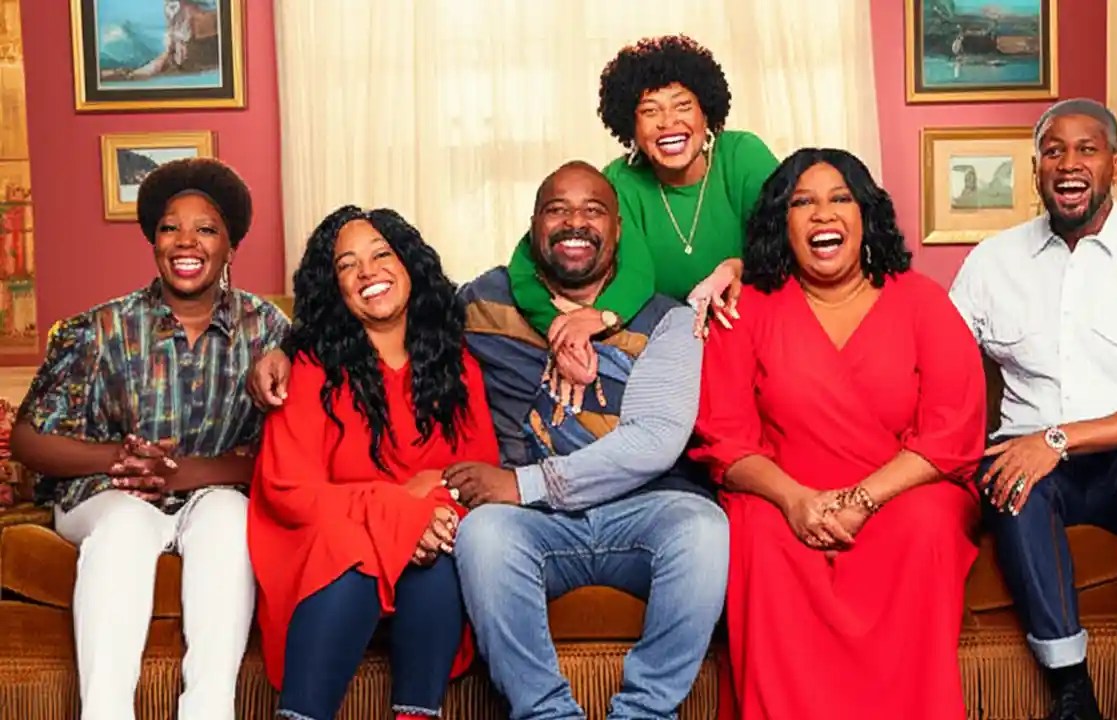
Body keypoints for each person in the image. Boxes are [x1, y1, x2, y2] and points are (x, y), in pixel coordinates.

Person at [247, 161, 731, 720]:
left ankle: (645, 713)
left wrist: (606, 315)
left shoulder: (668, 320)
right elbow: (382, 320)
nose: (575, 223)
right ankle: (547, 714)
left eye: (593, 211)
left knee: (703, 527)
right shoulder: (479, 307)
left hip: (638, 511)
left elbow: (653, 441)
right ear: (533, 225)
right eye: (557, 210)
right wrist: (283, 348)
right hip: (527, 523)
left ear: (618, 228)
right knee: (475, 536)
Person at [690, 148, 987, 719]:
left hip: (903, 490)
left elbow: (951, 433)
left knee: (926, 523)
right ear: (782, 222)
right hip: (785, 493)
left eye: (840, 199)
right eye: (802, 202)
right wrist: (794, 500)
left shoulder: (923, 301)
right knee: (754, 531)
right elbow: (725, 438)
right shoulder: (745, 308)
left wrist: (862, 500)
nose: (822, 213)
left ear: (865, 215)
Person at [949, 98, 1117, 720]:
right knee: (1010, 473)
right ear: (1036, 169)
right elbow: (939, 358)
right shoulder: (991, 262)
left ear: (1115, 165)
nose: (1069, 163)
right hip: (1033, 466)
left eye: (1086, 150)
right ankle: (1071, 687)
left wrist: (1058, 438)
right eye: (1053, 151)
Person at [11, 157, 288, 720]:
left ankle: (209, 710)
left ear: (231, 246)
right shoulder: (100, 327)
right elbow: (28, 439)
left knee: (230, 520)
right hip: (107, 493)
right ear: (153, 241)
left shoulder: (269, 330)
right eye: (169, 227)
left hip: (215, 494)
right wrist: (119, 457)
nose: (186, 241)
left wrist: (186, 473)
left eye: (205, 229)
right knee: (126, 526)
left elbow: (292, 452)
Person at [247, 206, 501, 720]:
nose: (368, 272)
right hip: (330, 548)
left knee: (439, 557)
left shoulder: (457, 365)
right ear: (334, 287)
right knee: (354, 549)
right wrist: (403, 509)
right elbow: (289, 489)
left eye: (381, 254)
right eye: (348, 265)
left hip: (431, 552)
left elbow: (478, 477)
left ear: (409, 263)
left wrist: (426, 509)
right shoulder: (309, 368)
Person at [507, 34, 779, 363]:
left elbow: (791, 236)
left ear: (706, 113)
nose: (668, 122)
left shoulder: (742, 156)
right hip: (673, 353)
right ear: (631, 127)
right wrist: (570, 327)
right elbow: (632, 270)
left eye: (683, 106)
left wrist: (739, 266)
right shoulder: (618, 183)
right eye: (650, 111)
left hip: (765, 331)